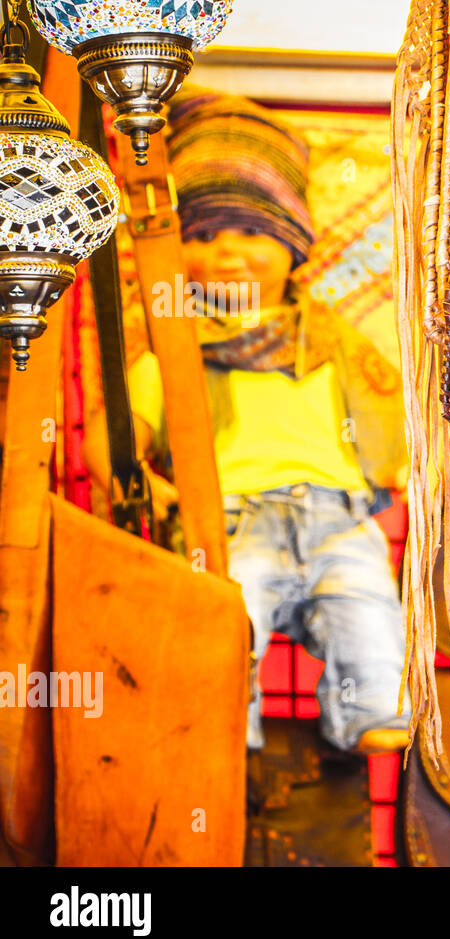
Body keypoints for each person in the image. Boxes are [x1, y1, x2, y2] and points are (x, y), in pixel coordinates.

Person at [86, 89, 410, 755]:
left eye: (253, 232)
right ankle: (225, 731)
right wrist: (148, 486)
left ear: (293, 245)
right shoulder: (175, 349)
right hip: (229, 520)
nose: (228, 252)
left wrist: (403, 467)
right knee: (229, 627)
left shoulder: (334, 339)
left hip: (339, 517)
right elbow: (114, 437)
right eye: (203, 235)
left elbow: (389, 409)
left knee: (368, 609)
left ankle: (371, 710)